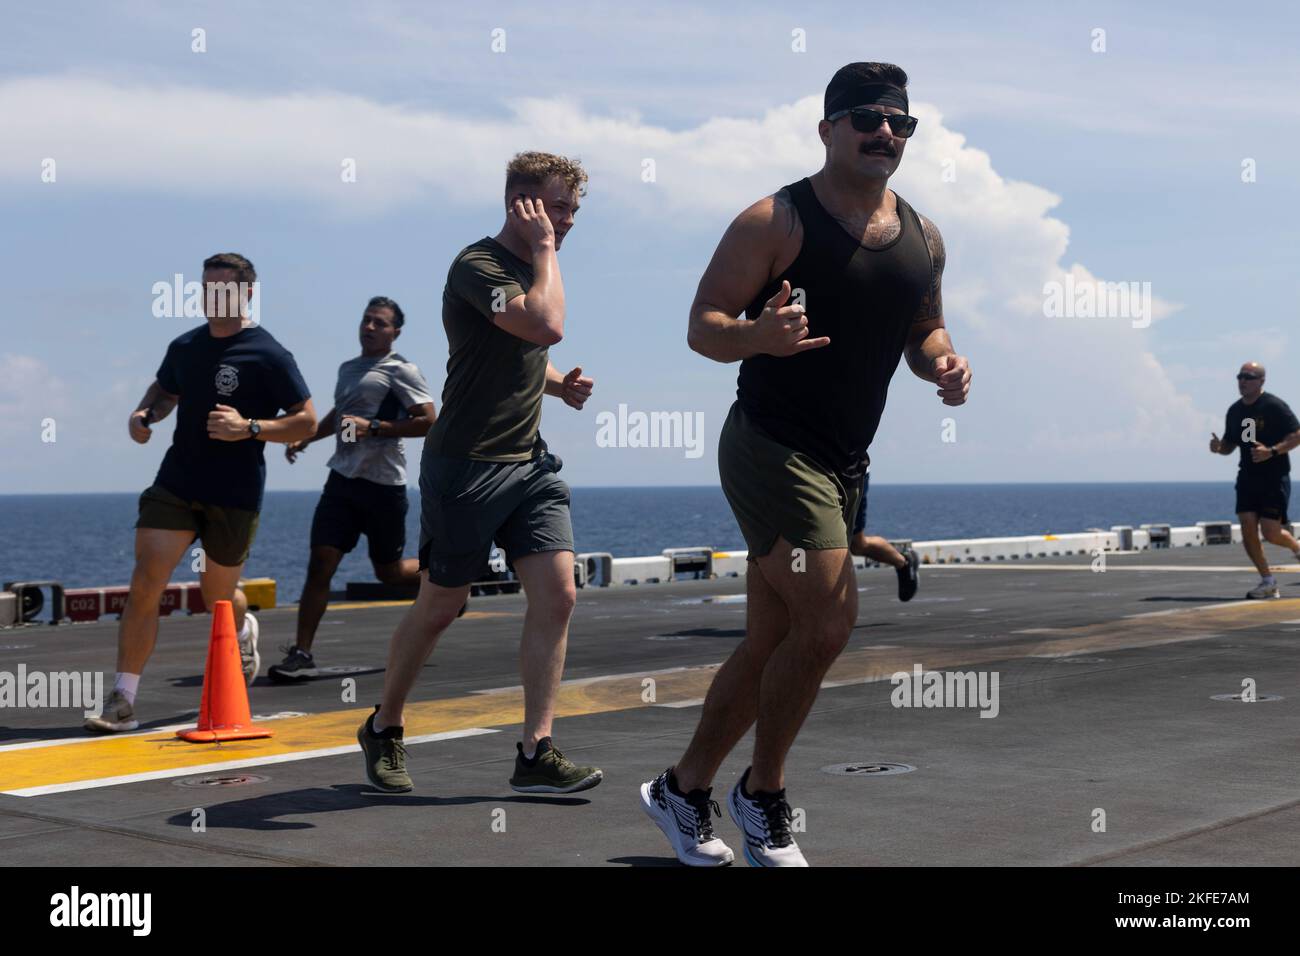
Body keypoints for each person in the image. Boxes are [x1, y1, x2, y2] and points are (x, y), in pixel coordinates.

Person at [640, 62, 971, 866]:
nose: (884, 134)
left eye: (899, 123)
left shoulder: (924, 237)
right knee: (827, 621)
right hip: (769, 445)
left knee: (773, 641)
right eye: (865, 119)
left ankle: (682, 792)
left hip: (843, 460)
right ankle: (763, 796)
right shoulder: (775, 220)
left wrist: (945, 363)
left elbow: (923, 331)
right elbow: (703, 326)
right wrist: (756, 336)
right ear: (827, 129)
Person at [356, 152, 602, 795]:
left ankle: (535, 751)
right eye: (557, 208)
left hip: (529, 463)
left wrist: (556, 386)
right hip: (466, 465)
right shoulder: (478, 265)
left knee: (559, 595)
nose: (568, 221)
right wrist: (548, 251)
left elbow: (516, 352)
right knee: (442, 605)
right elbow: (545, 324)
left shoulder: (532, 269)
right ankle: (384, 726)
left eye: (575, 209)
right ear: (520, 204)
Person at [86, 252, 316, 732]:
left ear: (247, 293)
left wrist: (248, 427)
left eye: (223, 288)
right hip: (177, 482)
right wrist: (142, 414)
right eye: (206, 288)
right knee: (147, 579)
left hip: (234, 493)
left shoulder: (269, 354)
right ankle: (122, 698)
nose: (212, 297)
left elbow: (307, 421)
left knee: (217, 596)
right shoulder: (186, 346)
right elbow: (166, 389)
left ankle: (240, 625)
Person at [271, 297, 436, 681]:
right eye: (367, 320)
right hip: (342, 481)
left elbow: (428, 420)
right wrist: (307, 438)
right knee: (320, 564)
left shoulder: (402, 370)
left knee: (390, 573)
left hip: (383, 486)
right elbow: (340, 414)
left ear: (395, 332)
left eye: (380, 323)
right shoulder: (348, 368)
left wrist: (375, 428)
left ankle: (443, 583)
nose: (370, 327)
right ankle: (301, 652)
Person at [1209, 361, 1300, 598]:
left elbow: (1297, 435)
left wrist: (1272, 451)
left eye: (1249, 377)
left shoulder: (1274, 406)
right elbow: (1230, 444)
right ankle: (1267, 581)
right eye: (1240, 377)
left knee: (1271, 532)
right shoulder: (1235, 411)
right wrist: (1219, 447)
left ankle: (1296, 547)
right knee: (1248, 527)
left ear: (1261, 381)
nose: (1243, 381)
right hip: (1248, 477)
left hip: (1273, 476)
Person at [848, 467, 919, 601]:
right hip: (813, 470)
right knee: (855, 545)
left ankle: (903, 562)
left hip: (849, 473)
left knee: (855, 544)